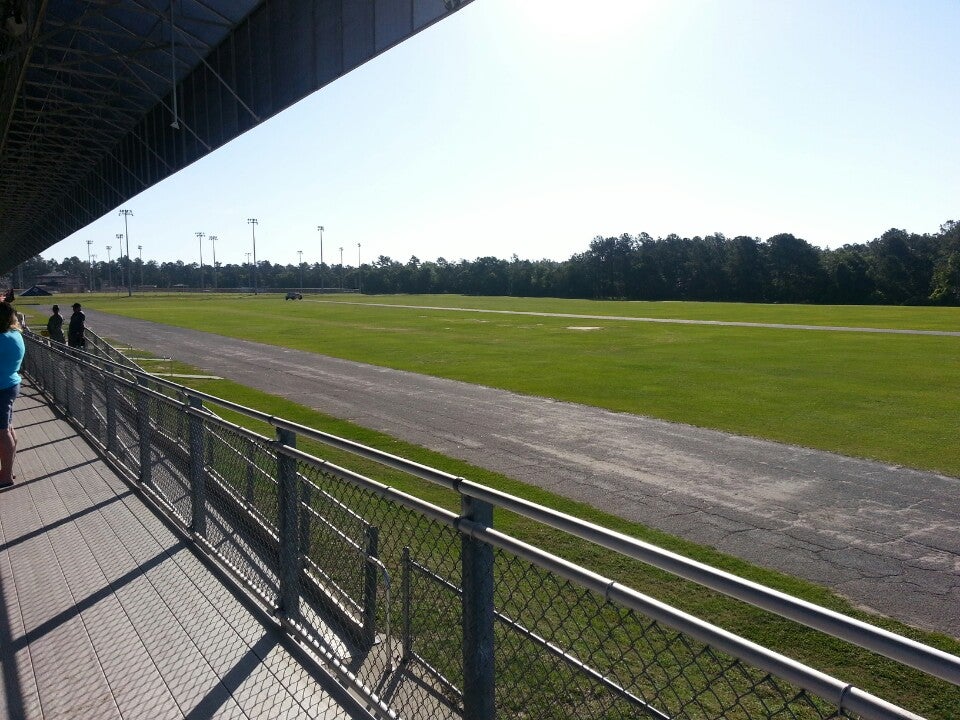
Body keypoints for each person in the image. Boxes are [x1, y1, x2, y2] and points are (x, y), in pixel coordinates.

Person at [0, 302, 24, 488]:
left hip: (2, 387)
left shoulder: (2, 339)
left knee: (3, 432)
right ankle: (7, 470)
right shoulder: (15, 335)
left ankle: (6, 476)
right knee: (7, 428)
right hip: (10, 384)